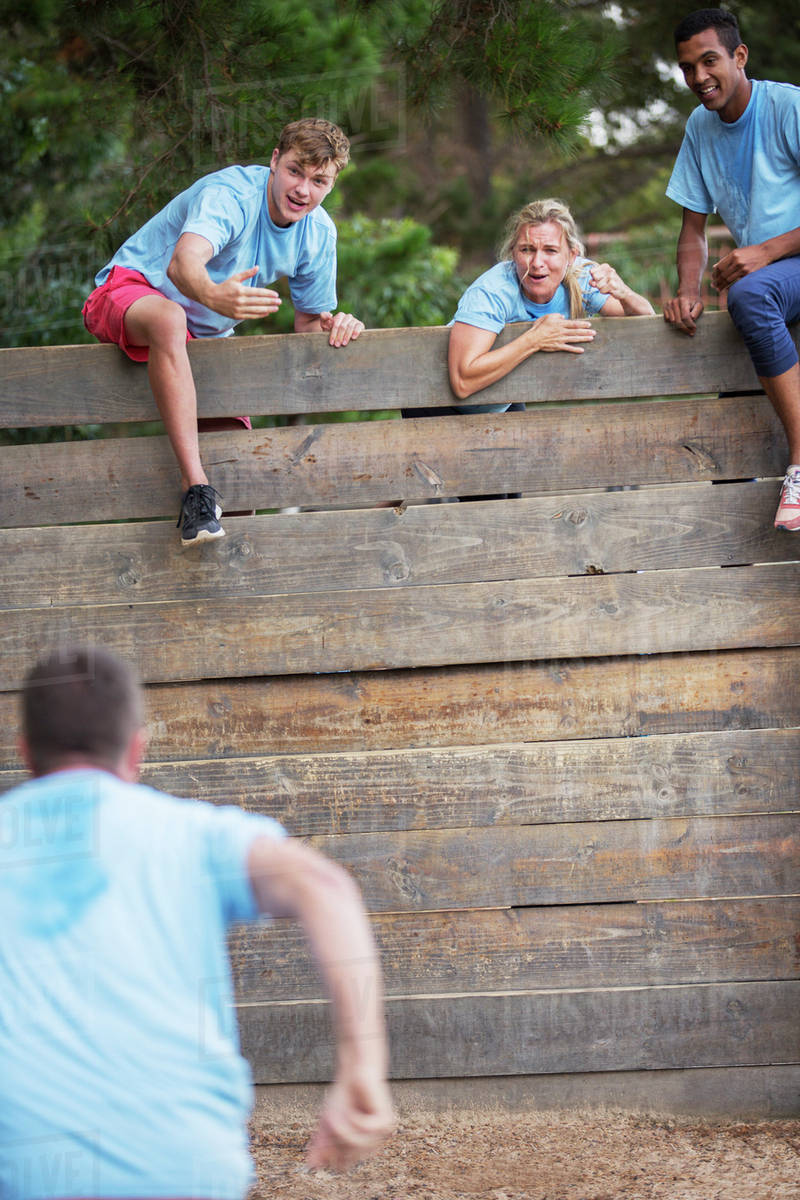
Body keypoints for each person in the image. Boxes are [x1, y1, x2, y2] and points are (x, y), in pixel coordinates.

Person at [0, 644, 395, 1199]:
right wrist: (363, 1065)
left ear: (25, 753)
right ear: (135, 749)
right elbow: (326, 886)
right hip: (186, 1169)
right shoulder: (195, 835)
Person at [82, 119, 364, 546]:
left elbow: (308, 322)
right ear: (274, 161)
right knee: (169, 319)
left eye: (319, 180)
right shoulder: (231, 194)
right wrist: (217, 298)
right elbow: (183, 266)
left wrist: (337, 323)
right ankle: (194, 487)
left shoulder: (318, 232)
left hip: (205, 344)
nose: (303, 189)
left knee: (241, 488)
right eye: (295, 171)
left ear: (332, 183)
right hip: (131, 293)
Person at [663, 8, 800, 532]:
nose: (698, 77)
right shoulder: (699, 127)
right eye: (686, 68)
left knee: (748, 297)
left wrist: (764, 252)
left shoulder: (785, 106)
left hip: (778, 274)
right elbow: (693, 230)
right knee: (730, 384)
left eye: (709, 61)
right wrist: (686, 290)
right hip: (777, 285)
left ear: (739, 56)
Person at [447, 198, 655, 406]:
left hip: (501, 409)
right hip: (436, 410)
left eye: (550, 251)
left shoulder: (584, 277)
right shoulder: (492, 291)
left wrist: (625, 293)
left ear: (571, 256)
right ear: (513, 252)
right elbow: (462, 382)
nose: (537, 263)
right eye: (527, 250)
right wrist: (535, 340)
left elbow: (647, 325)